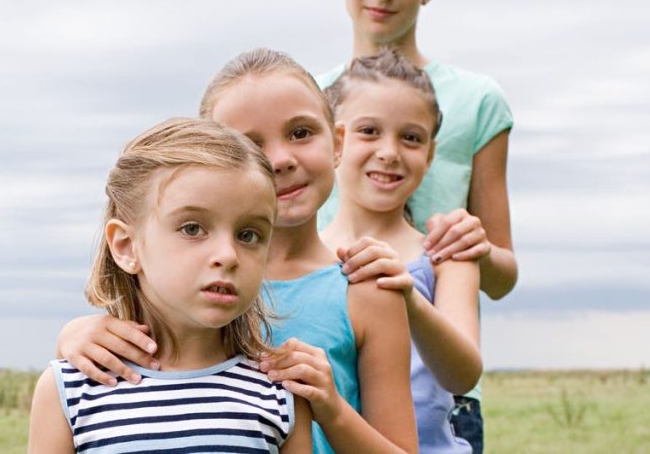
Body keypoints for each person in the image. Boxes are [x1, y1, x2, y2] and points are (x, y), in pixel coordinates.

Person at [56, 50, 418, 454]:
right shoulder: (190, 282)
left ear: (337, 142)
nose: (279, 160)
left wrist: (329, 408)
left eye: (300, 133)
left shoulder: (364, 288)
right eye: (249, 144)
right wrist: (74, 336)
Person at [317, 0, 518, 451]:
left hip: (431, 382)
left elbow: (503, 272)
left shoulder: (478, 102)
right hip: (335, 379)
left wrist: (471, 249)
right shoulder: (305, 97)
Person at [27, 117, 313, 454]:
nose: (228, 255)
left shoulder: (280, 392)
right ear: (127, 247)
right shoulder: (70, 390)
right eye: (193, 228)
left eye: (248, 235)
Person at [322, 49, 481, 453]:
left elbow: (462, 375)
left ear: (429, 154)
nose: (390, 152)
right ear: (334, 141)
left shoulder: (445, 254)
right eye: (369, 131)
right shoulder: (303, 256)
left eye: (410, 137)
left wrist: (408, 295)